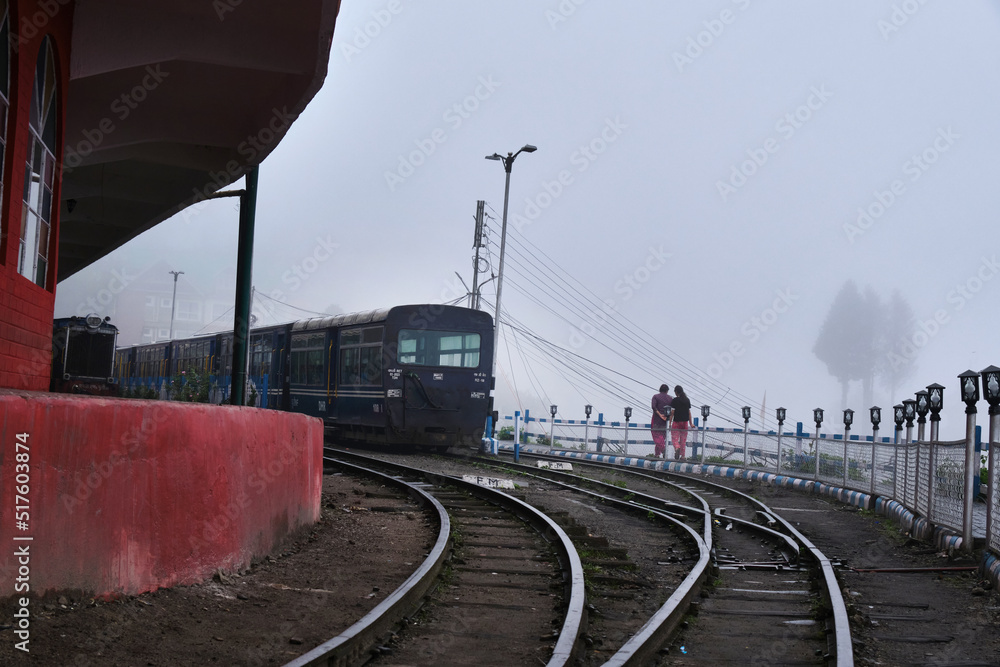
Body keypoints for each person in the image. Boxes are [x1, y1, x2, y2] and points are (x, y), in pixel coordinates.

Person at [670, 385, 692, 460]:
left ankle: (677, 448)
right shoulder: (687, 400)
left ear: (676, 392)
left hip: (676, 422)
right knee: (683, 440)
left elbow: (672, 412)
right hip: (685, 423)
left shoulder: (675, 400)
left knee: (675, 438)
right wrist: (691, 423)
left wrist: (669, 423)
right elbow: (689, 413)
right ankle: (683, 456)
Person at [650, 384, 672, 457]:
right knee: (662, 438)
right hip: (666, 421)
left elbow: (653, 407)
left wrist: (660, 415)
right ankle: (657, 454)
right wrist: (669, 421)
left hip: (657, 420)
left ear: (660, 390)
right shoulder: (670, 398)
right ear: (667, 391)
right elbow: (672, 410)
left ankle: (663, 450)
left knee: (656, 436)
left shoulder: (655, 397)